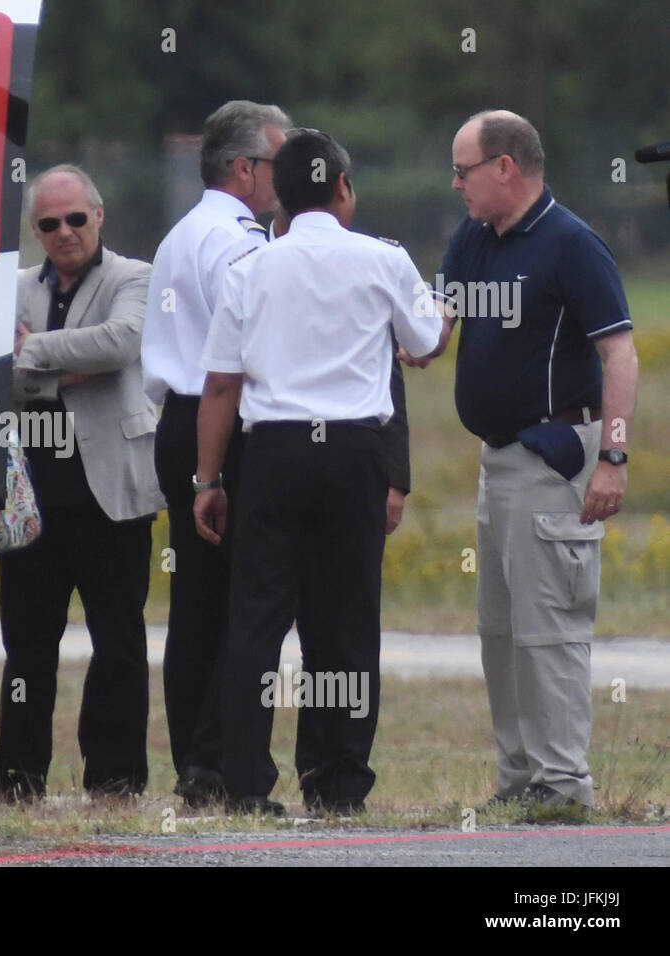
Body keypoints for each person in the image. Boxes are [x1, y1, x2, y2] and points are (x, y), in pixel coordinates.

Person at [193, 129, 445, 815]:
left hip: (273, 453)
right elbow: (427, 341)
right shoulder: (383, 260)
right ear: (341, 188)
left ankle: (245, 783)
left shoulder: (250, 270)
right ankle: (337, 781)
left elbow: (221, 386)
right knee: (346, 625)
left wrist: (207, 481)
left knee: (257, 621)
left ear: (278, 196)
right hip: (354, 453)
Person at [415, 109, 638, 811]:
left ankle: (563, 783)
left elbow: (619, 354)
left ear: (505, 167)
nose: (456, 184)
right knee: (500, 633)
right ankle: (519, 782)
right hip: (495, 462)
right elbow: (434, 329)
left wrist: (614, 455)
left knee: (548, 633)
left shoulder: (573, 245)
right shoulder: (472, 243)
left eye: (464, 170)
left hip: (552, 459)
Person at [0, 164, 164, 802]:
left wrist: (35, 354)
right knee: (26, 646)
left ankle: (115, 779)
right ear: (36, 229)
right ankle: (16, 779)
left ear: (99, 216)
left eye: (76, 219)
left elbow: (120, 344)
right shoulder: (11, 287)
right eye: (50, 224)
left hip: (112, 492)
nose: (65, 233)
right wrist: (61, 371)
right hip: (33, 499)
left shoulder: (134, 277)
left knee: (118, 640)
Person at [140, 100, 291, 806]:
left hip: (178, 417)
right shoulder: (240, 243)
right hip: (221, 426)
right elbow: (255, 344)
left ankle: (194, 764)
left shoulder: (180, 234)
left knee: (197, 606)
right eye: (276, 163)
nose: (286, 176)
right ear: (244, 168)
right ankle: (219, 760)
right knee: (247, 605)